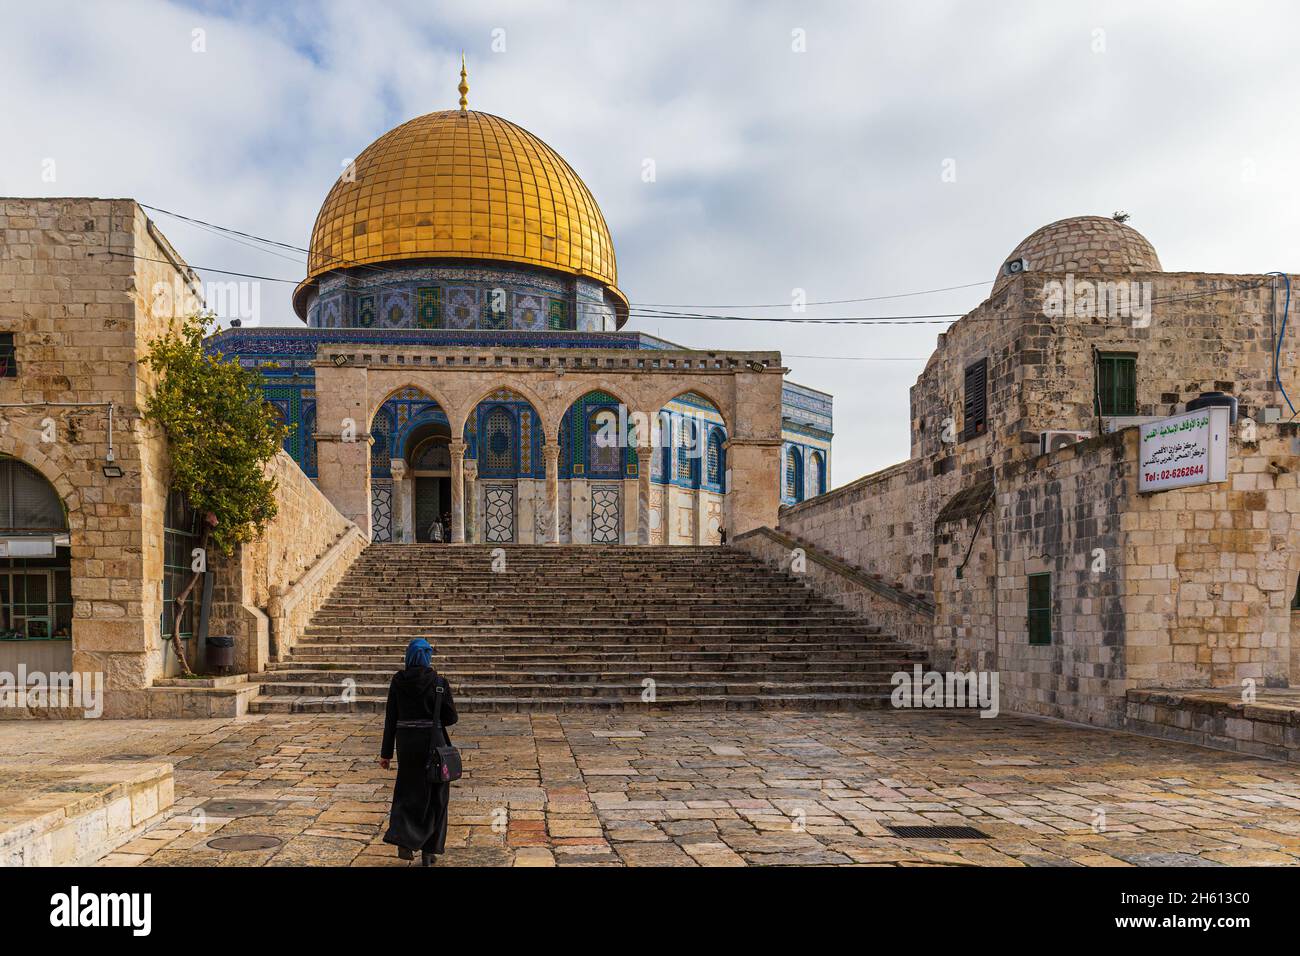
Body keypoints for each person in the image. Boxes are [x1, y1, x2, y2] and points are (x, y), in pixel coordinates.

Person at [379, 638, 458, 866]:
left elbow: (390, 718)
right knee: (436, 795)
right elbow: (451, 717)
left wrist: (386, 753)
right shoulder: (439, 683)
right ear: (428, 657)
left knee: (407, 792)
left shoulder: (397, 681)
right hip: (433, 743)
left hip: (407, 744)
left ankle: (405, 841)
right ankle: (429, 851)